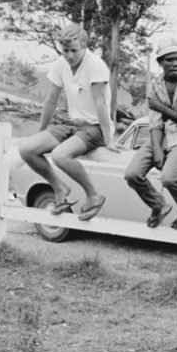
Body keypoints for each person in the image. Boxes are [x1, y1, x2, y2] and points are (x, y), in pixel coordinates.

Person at [17, 23, 118, 222]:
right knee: (27, 149)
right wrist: (41, 131)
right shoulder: (61, 64)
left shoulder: (96, 65)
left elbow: (101, 103)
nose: (70, 55)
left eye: (74, 50)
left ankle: (93, 194)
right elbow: (51, 100)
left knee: (60, 155)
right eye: (65, 51)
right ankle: (59, 187)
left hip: (94, 126)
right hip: (72, 123)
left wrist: (109, 138)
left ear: (84, 46)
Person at [124, 37, 177, 229]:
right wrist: (157, 149)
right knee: (132, 174)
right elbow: (155, 122)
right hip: (161, 136)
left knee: (168, 177)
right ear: (160, 62)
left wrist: (161, 107)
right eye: (169, 59)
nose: (175, 63)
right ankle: (158, 204)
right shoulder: (155, 84)